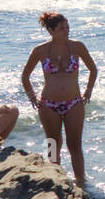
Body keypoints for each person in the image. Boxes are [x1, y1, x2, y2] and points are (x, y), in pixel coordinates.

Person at [22, 11, 97, 187]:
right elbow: (25, 76)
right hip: (48, 104)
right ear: (51, 30)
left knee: (75, 145)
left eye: (68, 26)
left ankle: (81, 182)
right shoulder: (40, 50)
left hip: (74, 103)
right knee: (53, 144)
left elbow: (93, 69)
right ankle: (58, 181)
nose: (67, 30)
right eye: (62, 28)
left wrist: (88, 91)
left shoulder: (77, 47)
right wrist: (32, 97)